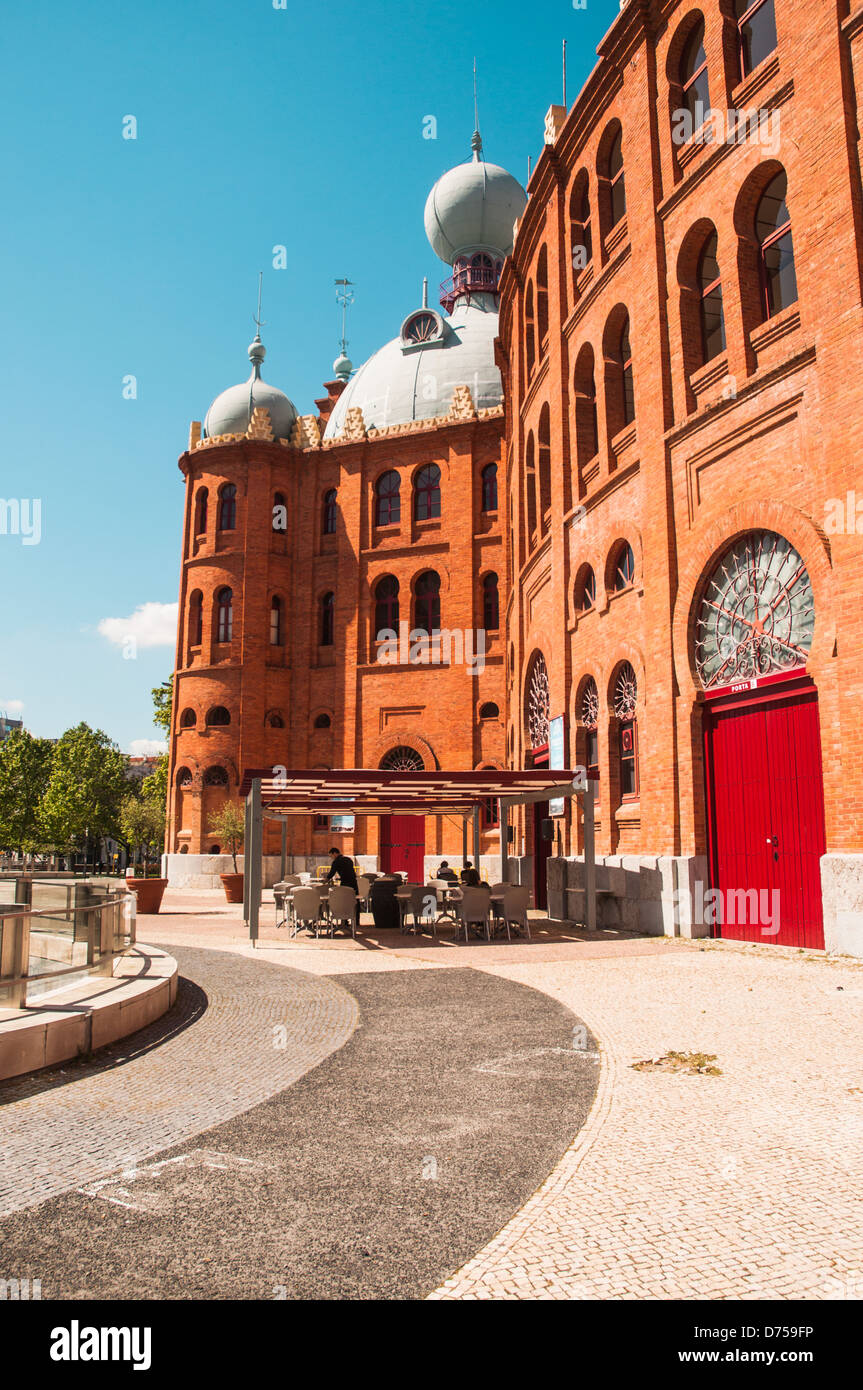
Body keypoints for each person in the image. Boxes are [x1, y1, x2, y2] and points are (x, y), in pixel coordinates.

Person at [325, 846, 360, 929]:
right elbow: (349, 871)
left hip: (345, 883)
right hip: (353, 882)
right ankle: (356, 920)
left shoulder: (336, 862)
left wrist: (325, 881)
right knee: (355, 900)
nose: (331, 858)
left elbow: (331, 873)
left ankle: (344, 920)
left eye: (331, 856)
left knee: (344, 901)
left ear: (335, 853)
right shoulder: (348, 859)